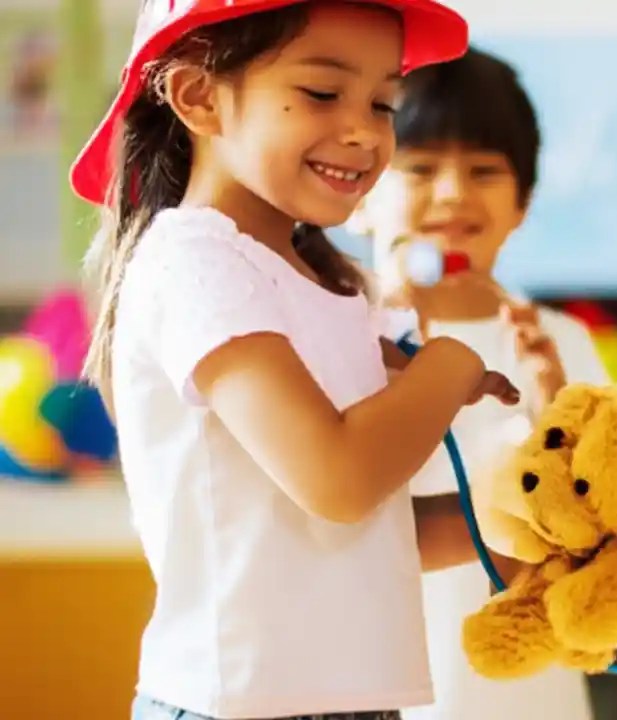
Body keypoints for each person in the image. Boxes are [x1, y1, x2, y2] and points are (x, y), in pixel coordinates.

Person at [70, 2, 524, 719]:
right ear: (196, 97)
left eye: (383, 103)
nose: (364, 132)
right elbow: (339, 481)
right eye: (322, 92)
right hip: (239, 705)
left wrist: (524, 534)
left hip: (334, 702)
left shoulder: (316, 282)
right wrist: (449, 365)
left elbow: (360, 530)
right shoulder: (196, 261)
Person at [350, 47, 606, 720]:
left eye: (485, 171)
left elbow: (604, 537)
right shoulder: (335, 339)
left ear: (522, 203)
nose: (454, 193)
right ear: (357, 195)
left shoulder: (564, 344)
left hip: (532, 699)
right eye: (421, 168)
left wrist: (558, 401)